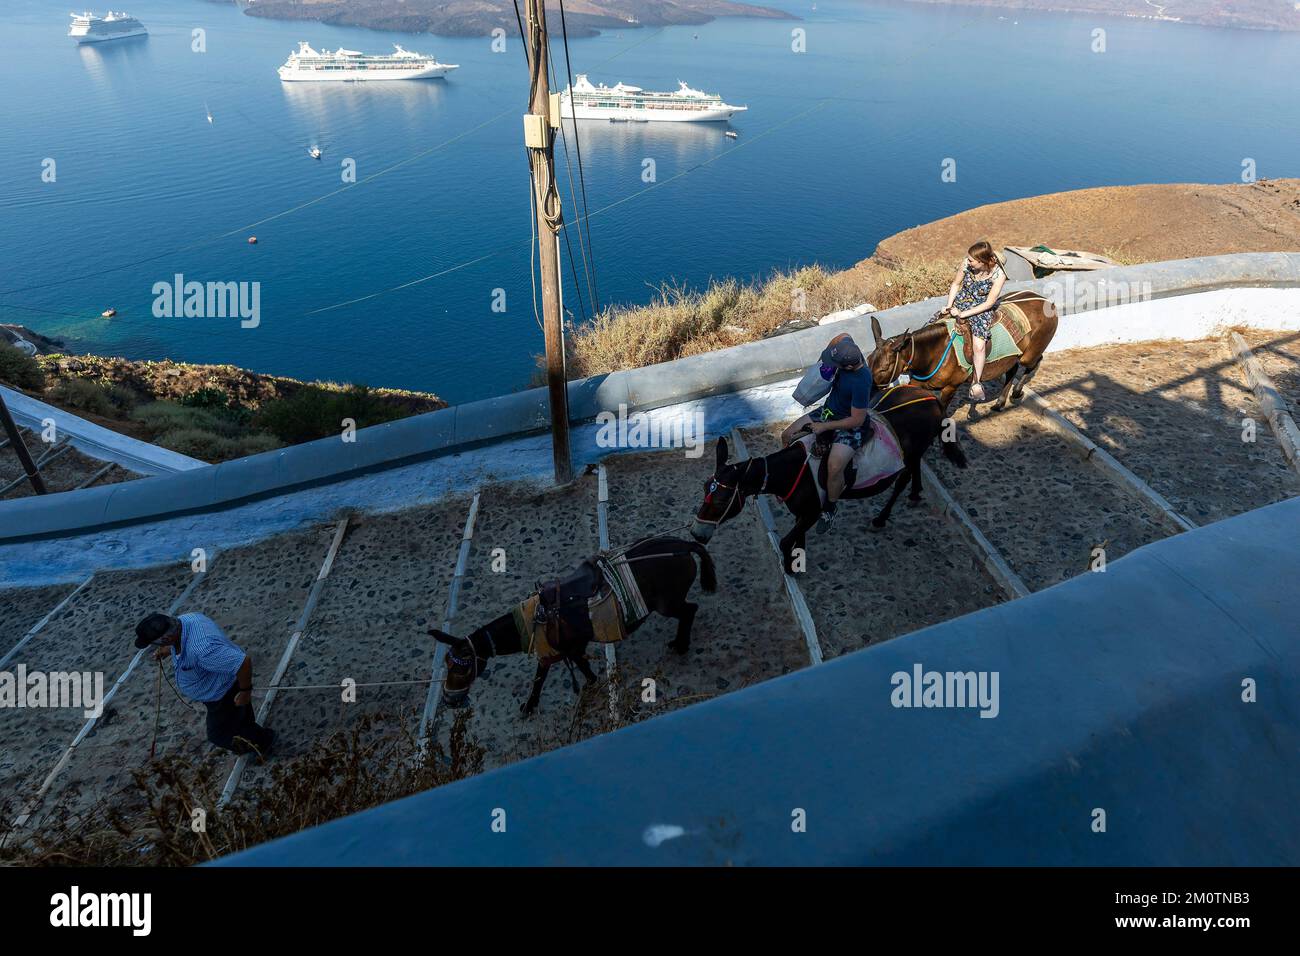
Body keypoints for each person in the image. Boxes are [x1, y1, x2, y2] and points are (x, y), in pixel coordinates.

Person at [134, 612, 274, 758]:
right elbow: (185, 643)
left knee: (218, 734)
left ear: (167, 637)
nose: (156, 646)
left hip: (223, 693)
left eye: (156, 643)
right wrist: (169, 649)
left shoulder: (203, 650)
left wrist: (245, 692)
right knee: (241, 718)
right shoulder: (186, 619)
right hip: (217, 688)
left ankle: (263, 743)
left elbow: (242, 663)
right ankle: (252, 730)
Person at [780, 334, 875, 533]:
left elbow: (857, 419)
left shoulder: (862, 381)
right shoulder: (848, 348)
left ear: (848, 366)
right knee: (787, 435)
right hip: (827, 412)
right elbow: (843, 336)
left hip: (850, 425)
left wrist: (824, 428)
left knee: (834, 466)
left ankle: (830, 507)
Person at [940, 240, 1007, 402]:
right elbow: (956, 284)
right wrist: (949, 306)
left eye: (971, 260)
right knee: (935, 326)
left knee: (978, 345)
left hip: (980, 308)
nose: (967, 261)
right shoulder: (966, 264)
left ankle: (976, 383)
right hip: (961, 301)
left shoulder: (999, 275)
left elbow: (989, 303)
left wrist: (963, 314)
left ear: (982, 261)